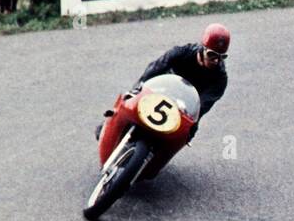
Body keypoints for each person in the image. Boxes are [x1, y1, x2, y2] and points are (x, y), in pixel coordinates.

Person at [96, 24, 232, 142]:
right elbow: (154, 69)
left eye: (222, 57)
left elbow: (201, 107)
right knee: (132, 97)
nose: (216, 61)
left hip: (185, 107)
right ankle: (111, 124)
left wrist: (190, 123)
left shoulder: (220, 79)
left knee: (189, 132)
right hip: (161, 90)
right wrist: (138, 88)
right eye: (212, 55)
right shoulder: (181, 53)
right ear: (202, 49)